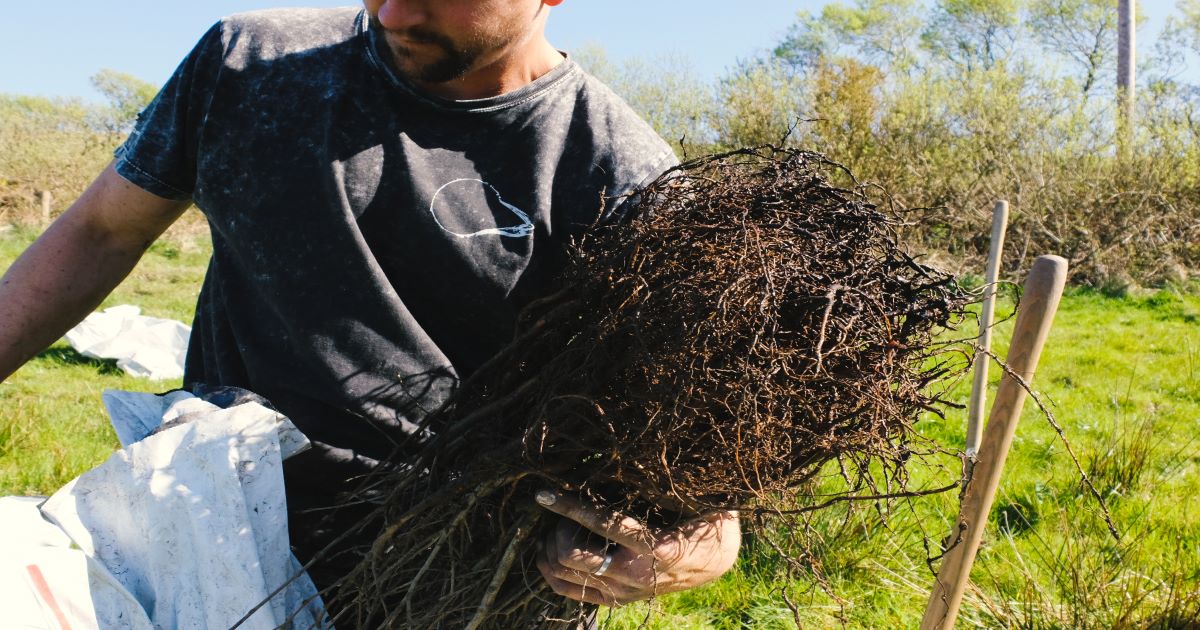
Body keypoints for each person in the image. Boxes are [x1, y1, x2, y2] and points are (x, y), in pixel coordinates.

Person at [0, 0, 740, 617]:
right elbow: (100, 232)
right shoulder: (248, 65)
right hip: (209, 528)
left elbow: (696, 453)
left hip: (446, 579)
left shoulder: (626, 180)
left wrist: (702, 545)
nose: (392, 11)